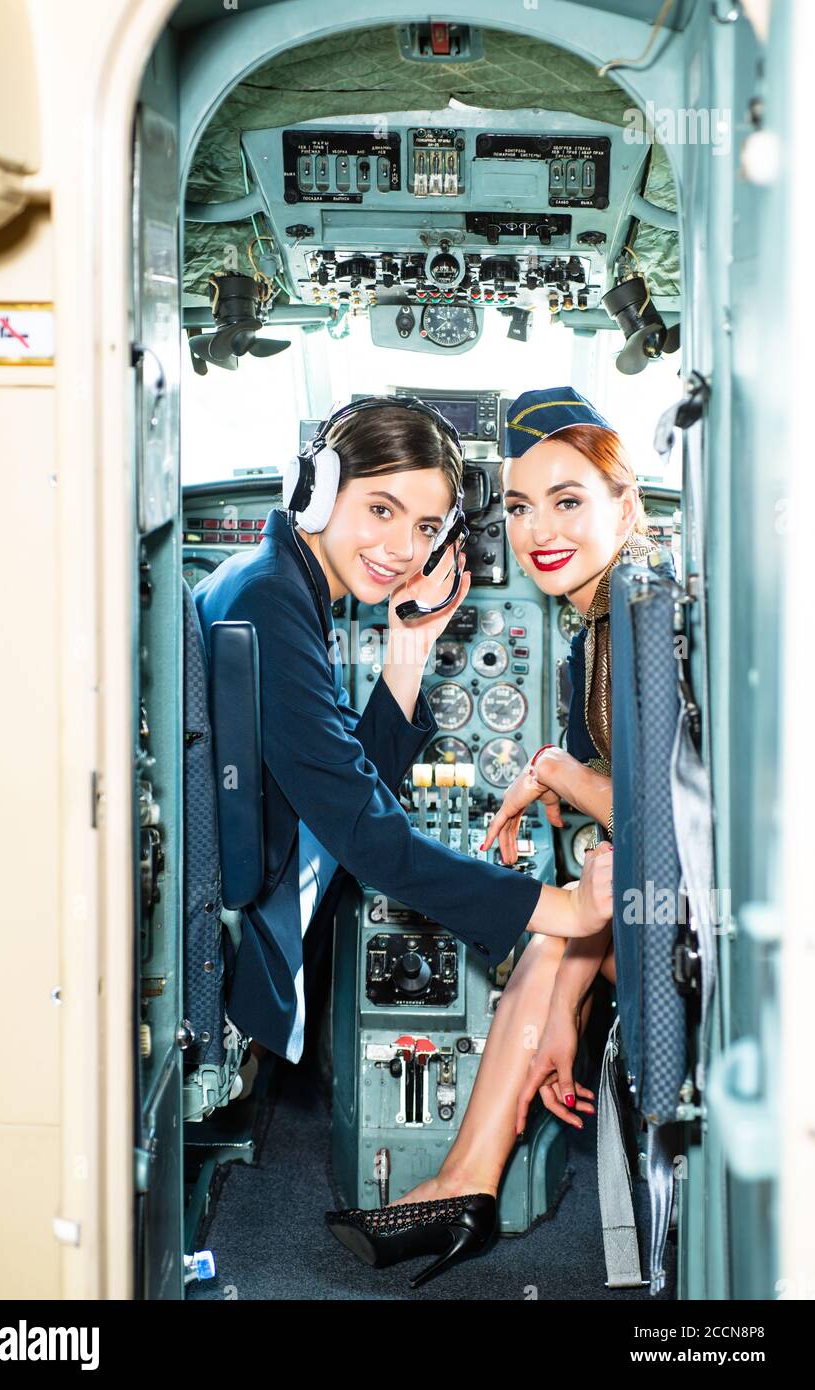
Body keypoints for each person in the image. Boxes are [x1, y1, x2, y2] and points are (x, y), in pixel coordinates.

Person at [325, 387, 654, 1289]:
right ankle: (459, 1183)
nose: (536, 528)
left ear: (626, 505)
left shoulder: (639, 621)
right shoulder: (600, 623)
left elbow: (650, 818)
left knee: (559, 925)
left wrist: (547, 771)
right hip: (649, 897)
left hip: (686, 914)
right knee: (557, 930)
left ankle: (461, 1185)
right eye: (515, 505)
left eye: (568, 500)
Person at [193, 396, 613, 1080]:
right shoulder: (270, 603)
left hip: (264, 876)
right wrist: (558, 908)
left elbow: (352, 786)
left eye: (423, 527)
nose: (401, 550)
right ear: (316, 491)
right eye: (379, 510)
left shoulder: (272, 584)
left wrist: (408, 649)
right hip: (252, 909)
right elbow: (364, 835)